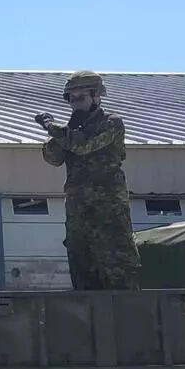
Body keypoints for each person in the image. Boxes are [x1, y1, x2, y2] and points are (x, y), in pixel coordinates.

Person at [36, 70, 141, 290]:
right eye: (71, 99)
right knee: (82, 271)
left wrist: (51, 127)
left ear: (96, 96)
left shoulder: (111, 123)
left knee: (117, 272)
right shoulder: (71, 129)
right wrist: (64, 129)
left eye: (81, 97)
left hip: (108, 211)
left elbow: (83, 146)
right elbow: (52, 157)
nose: (75, 104)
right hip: (79, 212)